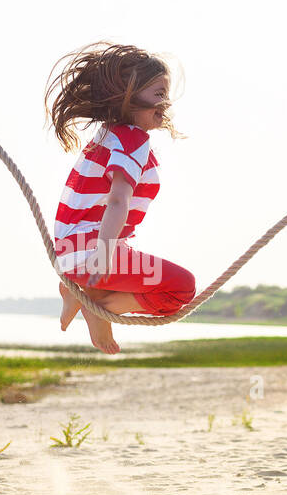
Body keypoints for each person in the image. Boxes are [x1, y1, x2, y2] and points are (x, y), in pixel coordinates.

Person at [46, 42, 196, 355]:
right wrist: (103, 253)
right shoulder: (132, 140)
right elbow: (117, 202)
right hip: (93, 252)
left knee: (162, 280)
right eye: (158, 94)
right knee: (181, 288)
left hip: (74, 251)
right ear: (129, 98)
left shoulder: (109, 134)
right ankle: (98, 302)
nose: (165, 102)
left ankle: (84, 292)